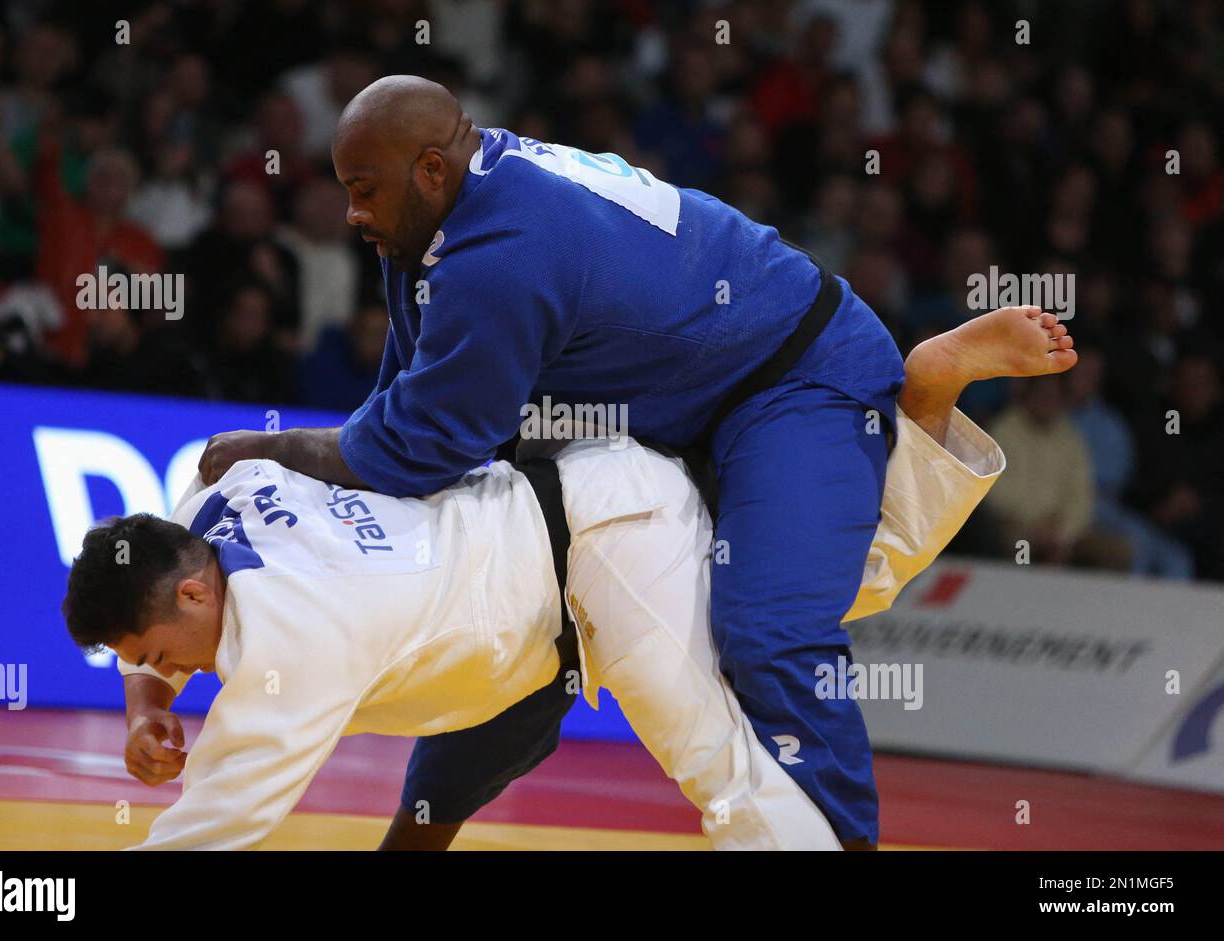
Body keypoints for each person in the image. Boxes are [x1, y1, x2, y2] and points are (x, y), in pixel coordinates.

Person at [195, 76, 1079, 850]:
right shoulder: (435, 214)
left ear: (431, 167)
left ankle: (922, 399)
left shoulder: (495, 257)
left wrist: (270, 446)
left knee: (778, 625)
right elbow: (401, 414)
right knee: (531, 611)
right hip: (668, 398)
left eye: (362, 190)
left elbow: (416, 448)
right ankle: (415, 843)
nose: (352, 212)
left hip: (793, 380)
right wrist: (323, 457)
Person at [107, 305, 1072, 850]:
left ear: (196, 590)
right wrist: (148, 695)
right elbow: (141, 595)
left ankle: (924, 396)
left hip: (604, 549)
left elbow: (217, 821)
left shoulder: (291, 637)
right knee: (481, 725)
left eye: (160, 659)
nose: (168, 670)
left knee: (740, 751)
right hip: (550, 550)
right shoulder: (213, 488)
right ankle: (921, 410)